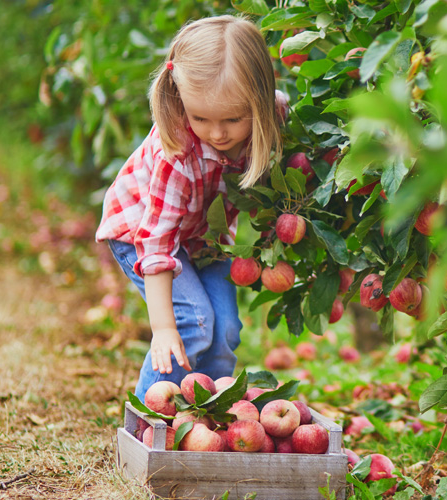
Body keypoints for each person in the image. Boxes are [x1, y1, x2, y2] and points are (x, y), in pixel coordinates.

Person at [95, 15, 286, 402]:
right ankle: (145, 429)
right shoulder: (178, 152)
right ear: (180, 99)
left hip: (203, 236)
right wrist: (163, 327)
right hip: (142, 233)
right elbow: (157, 241)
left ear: (261, 103)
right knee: (191, 323)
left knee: (227, 328)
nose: (217, 133)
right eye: (201, 118)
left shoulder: (276, 117)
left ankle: (208, 420)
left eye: (233, 119)